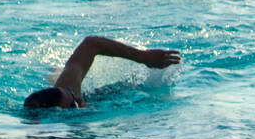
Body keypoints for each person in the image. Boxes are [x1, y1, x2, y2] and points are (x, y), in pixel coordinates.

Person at [24, 35, 181, 109]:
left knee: (62, 75)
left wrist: (143, 57)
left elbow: (91, 43)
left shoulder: (68, 90)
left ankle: (56, 70)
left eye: (73, 95)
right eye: (73, 104)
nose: (78, 100)